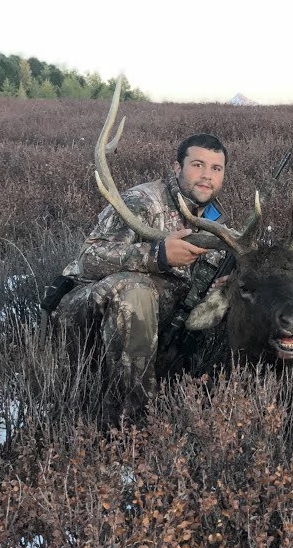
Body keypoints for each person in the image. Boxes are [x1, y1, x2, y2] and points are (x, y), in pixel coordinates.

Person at [47, 133, 232, 414]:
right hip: (84, 314)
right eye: (197, 165)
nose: (207, 175)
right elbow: (88, 259)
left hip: (153, 324)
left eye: (216, 169)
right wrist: (157, 256)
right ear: (177, 167)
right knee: (136, 291)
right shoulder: (141, 201)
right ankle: (132, 422)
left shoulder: (216, 223)